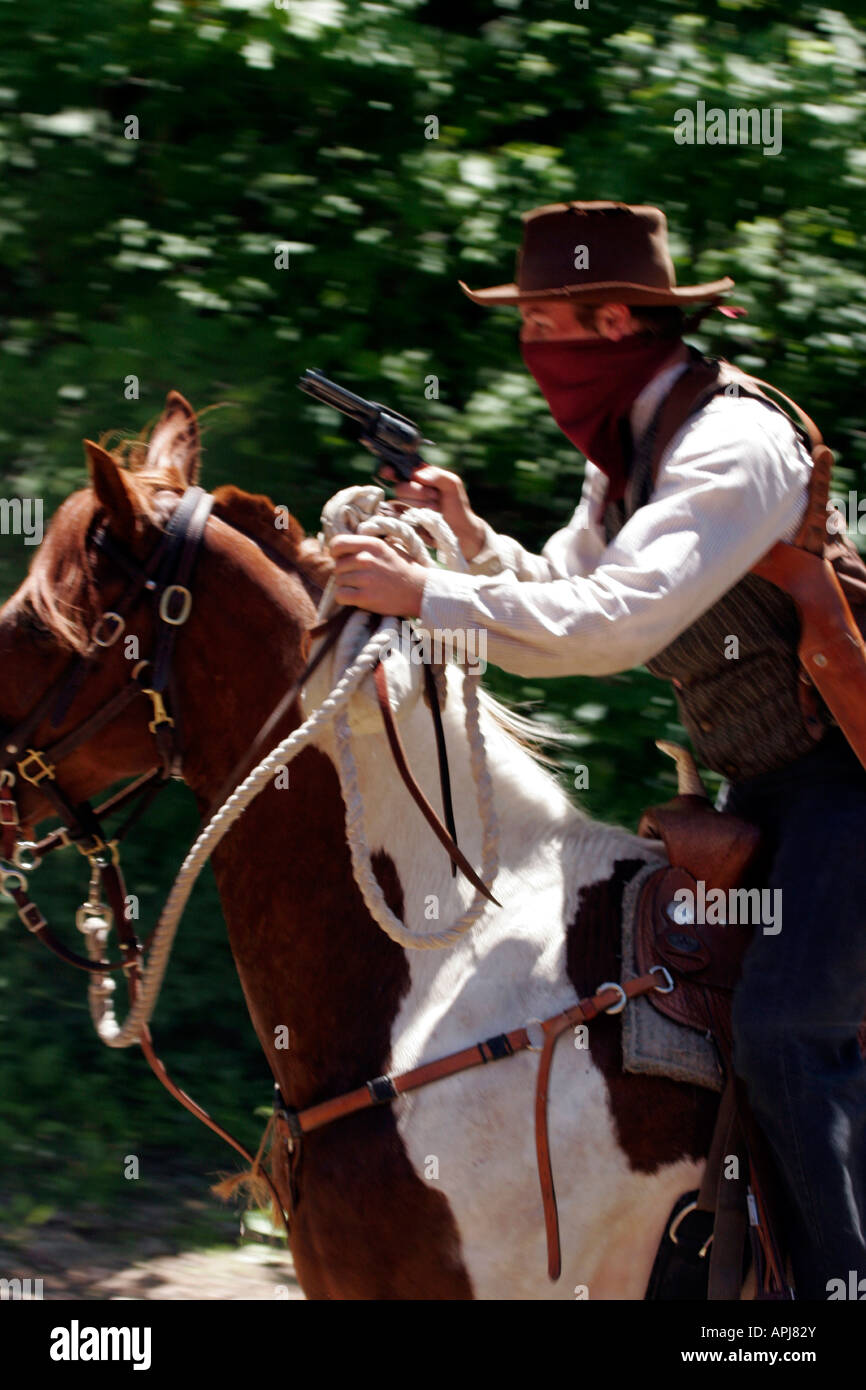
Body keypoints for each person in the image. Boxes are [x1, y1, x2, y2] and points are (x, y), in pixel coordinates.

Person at [328, 200, 866, 1299]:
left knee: (776, 1031)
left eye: (542, 323)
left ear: (615, 316)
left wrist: (424, 587)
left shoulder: (732, 443)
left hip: (843, 790)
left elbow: (608, 627)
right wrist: (471, 541)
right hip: (761, 793)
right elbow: (569, 591)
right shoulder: (633, 444)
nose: (531, 352)